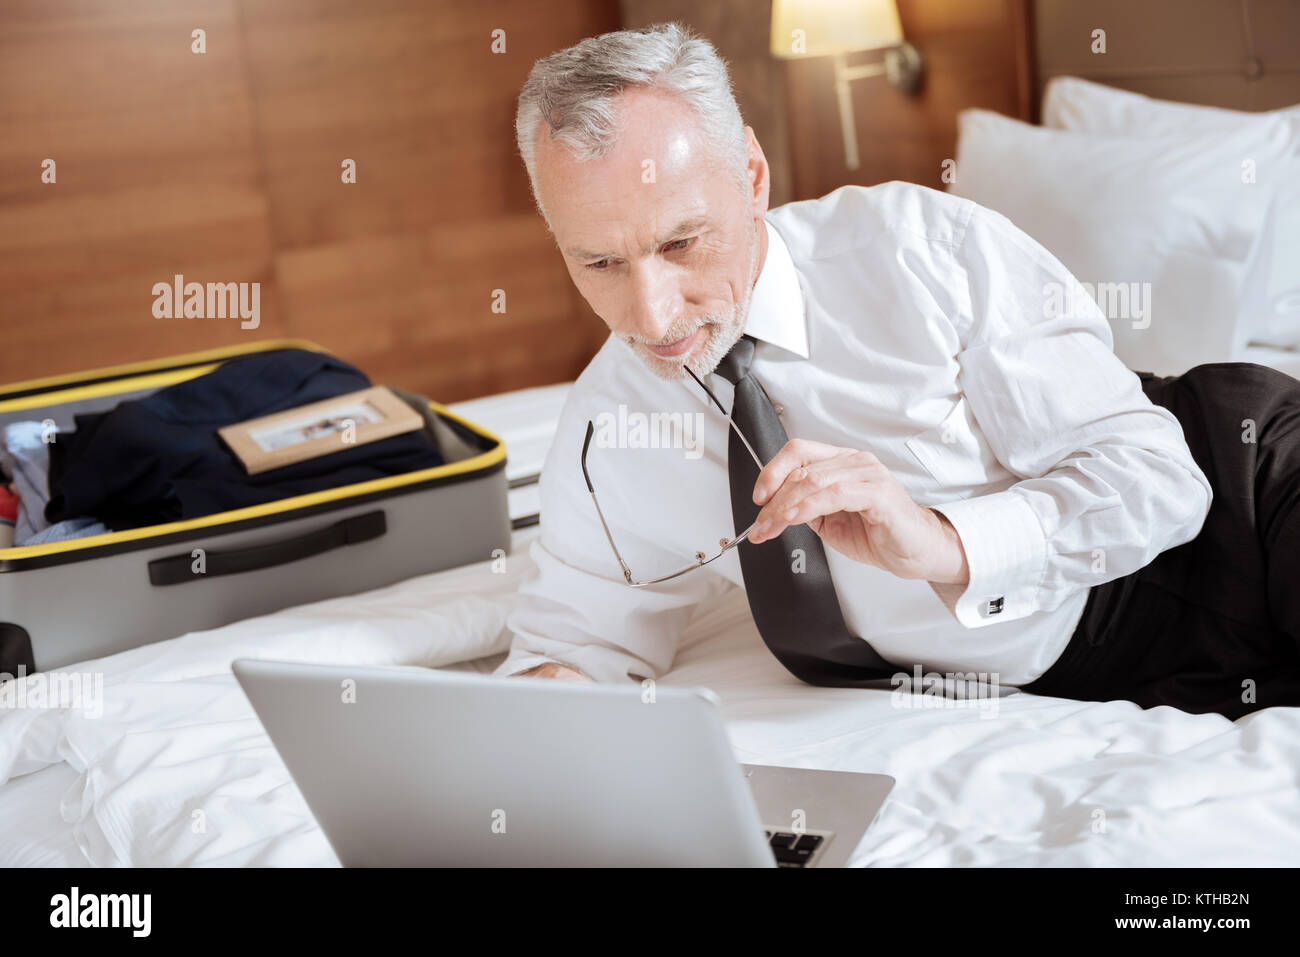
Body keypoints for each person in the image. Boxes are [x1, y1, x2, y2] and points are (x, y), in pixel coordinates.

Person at [495, 22, 1300, 719]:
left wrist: (941, 540)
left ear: (751, 176)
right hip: (1069, 678)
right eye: (599, 261)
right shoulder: (608, 425)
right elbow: (574, 639)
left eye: (681, 244)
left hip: (1239, 497)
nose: (654, 316)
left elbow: (1161, 477)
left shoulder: (923, 251)